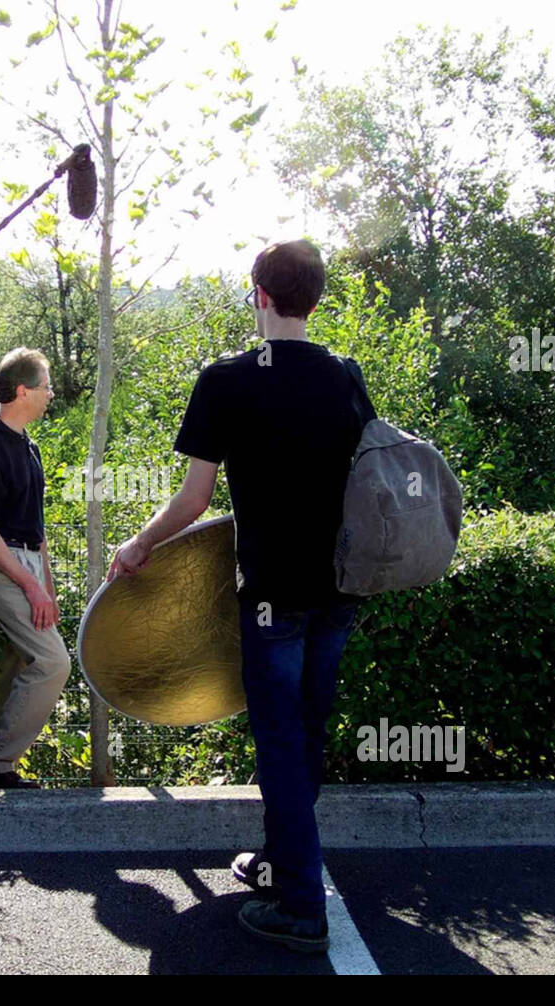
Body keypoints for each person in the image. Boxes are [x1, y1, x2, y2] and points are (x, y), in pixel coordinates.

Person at [108, 239, 373, 952]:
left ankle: (300, 908)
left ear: (258, 293)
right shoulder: (344, 375)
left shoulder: (225, 378)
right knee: (305, 735)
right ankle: (281, 861)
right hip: (341, 588)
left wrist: (138, 545)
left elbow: (195, 499)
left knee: (282, 744)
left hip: (272, 597)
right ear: (314, 300)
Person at [0, 348, 70, 789]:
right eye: (46, 386)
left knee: (14, 663)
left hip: (26, 566)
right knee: (53, 661)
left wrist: (47, 585)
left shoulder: (28, 444)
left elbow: (35, 526)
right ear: (22, 391)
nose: (51, 394)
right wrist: (29, 585)